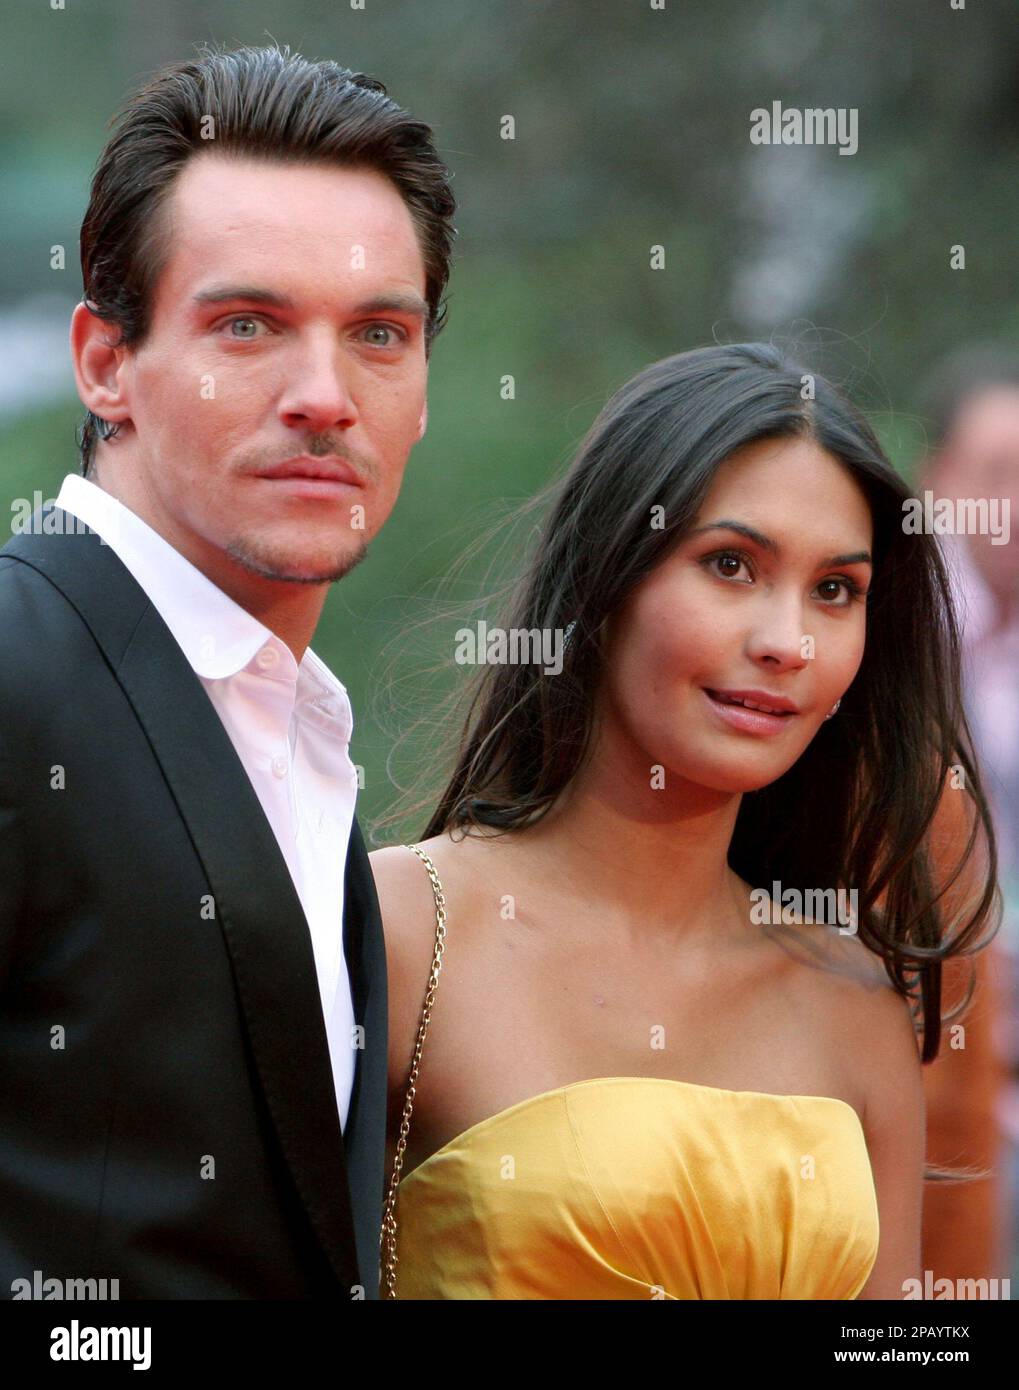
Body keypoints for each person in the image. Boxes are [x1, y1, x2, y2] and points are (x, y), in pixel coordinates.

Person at [370, 343, 1001, 1300]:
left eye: (836, 590)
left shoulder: (855, 1003)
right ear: (604, 579)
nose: (786, 642)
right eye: (730, 565)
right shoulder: (400, 928)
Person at [0, 43, 455, 1299]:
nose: (325, 396)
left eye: (378, 333)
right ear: (105, 364)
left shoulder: (291, 720)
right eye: (247, 324)